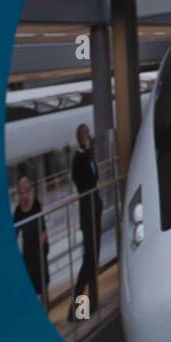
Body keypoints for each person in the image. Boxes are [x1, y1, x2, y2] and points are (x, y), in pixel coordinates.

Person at [69, 124, 100, 321]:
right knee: (89, 259)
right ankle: (77, 310)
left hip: (94, 208)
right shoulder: (78, 160)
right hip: (87, 211)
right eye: (83, 133)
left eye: (88, 132)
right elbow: (84, 182)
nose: (87, 136)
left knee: (93, 258)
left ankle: (92, 304)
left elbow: (95, 178)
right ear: (78, 137)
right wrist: (88, 153)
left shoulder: (89, 156)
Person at [13, 173, 49, 303]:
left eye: (25, 192)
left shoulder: (36, 205)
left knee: (42, 280)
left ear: (29, 191)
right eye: (20, 193)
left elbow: (43, 226)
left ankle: (45, 308)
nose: (23, 196)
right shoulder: (18, 210)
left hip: (39, 248)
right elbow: (15, 231)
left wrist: (44, 239)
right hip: (28, 251)